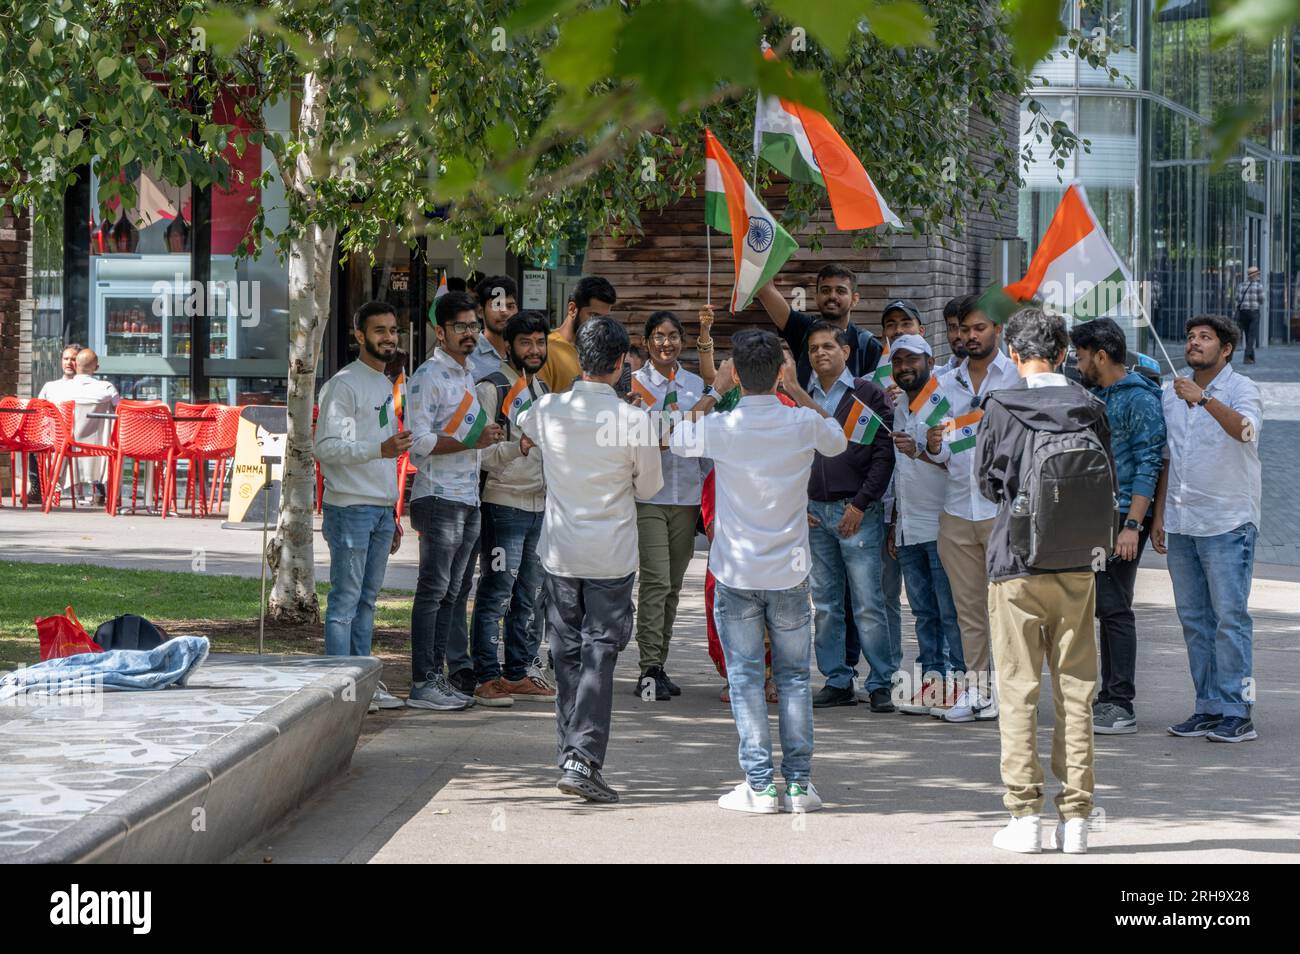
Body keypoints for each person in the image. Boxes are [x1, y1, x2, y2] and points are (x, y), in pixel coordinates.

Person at [673, 331, 847, 814]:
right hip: (790, 572)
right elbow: (838, 438)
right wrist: (798, 391)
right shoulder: (800, 423)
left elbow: (678, 436)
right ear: (779, 372)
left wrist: (712, 390)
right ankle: (797, 785)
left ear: (735, 375)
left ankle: (759, 785)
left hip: (736, 572)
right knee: (793, 680)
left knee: (746, 681)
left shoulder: (722, 426)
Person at [978, 307, 1113, 855]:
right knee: (1077, 692)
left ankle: (1025, 818)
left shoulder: (1002, 405)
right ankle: (1077, 820)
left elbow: (988, 483)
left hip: (1015, 564)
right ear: (1062, 353)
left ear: (1013, 355)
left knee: (1018, 691)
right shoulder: (1091, 405)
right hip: (1079, 563)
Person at [521, 317, 662, 803]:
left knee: (565, 655)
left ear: (580, 360)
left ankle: (571, 753)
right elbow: (649, 488)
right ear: (623, 362)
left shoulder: (547, 410)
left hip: (561, 552)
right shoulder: (635, 420)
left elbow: (522, 421)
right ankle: (581, 758)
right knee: (599, 653)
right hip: (611, 555)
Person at [1154, 315, 1263, 743]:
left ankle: (1240, 711)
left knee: (1230, 620)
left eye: (1205, 338)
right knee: (1195, 620)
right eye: (1190, 337)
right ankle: (1208, 706)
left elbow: (1246, 431)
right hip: (1183, 522)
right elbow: (1168, 458)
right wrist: (1160, 515)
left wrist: (1203, 400)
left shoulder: (1241, 388)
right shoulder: (1172, 390)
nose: (1194, 343)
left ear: (1227, 349)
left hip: (1228, 520)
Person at [924, 294, 1021, 722]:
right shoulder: (943, 384)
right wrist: (934, 446)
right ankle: (978, 692)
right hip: (958, 512)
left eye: (979, 328)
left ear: (997, 330)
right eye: (964, 330)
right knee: (969, 612)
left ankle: (1014, 692)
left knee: (1012, 610)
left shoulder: (1017, 377)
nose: (970, 337)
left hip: (1005, 511)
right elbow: (943, 451)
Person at [405, 291, 504, 711]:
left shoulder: (467, 375)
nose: (469, 334)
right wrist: (470, 440)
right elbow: (417, 444)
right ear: (440, 331)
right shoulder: (428, 376)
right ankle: (422, 681)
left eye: (473, 326)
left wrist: (489, 442)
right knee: (433, 590)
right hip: (438, 496)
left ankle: (439, 677)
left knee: (453, 593)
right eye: (461, 327)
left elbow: (469, 441)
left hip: (468, 496)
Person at [314, 302, 412, 713]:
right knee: (344, 603)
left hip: (378, 509)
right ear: (359, 335)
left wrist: (392, 510)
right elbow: (326, 449)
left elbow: (389, 456)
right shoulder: (344, 384)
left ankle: (364, 684)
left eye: (393, 329)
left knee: (367, 601)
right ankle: (341, 689)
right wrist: (379, 448)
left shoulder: (384, 382)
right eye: (379, 330)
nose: (388, 337)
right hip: (350, 508)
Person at [1070, 317, 1166, 735]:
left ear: (1102, 355)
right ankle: (1108, 698)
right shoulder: (1095, 394)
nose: (1077, 362)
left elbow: (1150, 462)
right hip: (1093, 516)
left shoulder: (1140, 400)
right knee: (1102, 607)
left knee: (1114, 607)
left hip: (1124, 518)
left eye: (1081, 354)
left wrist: (1133, 524)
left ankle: (1120, 703)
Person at [800, 322, 897, 712]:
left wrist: (860, 504)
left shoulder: (867, 394)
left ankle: (881, 682)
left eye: (828, 346)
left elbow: (883, 453)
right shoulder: (802, 396)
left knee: (867, 601)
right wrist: (799, 504)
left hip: (857, 512)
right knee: (823, 603)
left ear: (845, 352)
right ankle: (837, 679)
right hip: (814, 514)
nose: (820, 353)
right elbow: (791, 453)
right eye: (813, 348)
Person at [468, 310, 556, 706]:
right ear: (508, 346)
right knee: (496, 591)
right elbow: (479, 453)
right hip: (503, 505)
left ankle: (517, 672)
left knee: (529, 594)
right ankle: (487, 676)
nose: (534, 350)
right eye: (526, 342)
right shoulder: (493, 387)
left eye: (540, 342)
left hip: (539, 505)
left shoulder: (542, 391)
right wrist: (514, 447)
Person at [443, 274, 522, 698]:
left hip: (497, 487)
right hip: (463, 481)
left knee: (498, 581)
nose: (504, 309)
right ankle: (460, 665)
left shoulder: (521, 358)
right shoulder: (471, 361)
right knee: (458, 582)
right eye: (496, 302)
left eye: (510, 302)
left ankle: (501, 666)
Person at [629, 310, 708, 700]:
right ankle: (647, 667)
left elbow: (705, 442)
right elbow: (653, 437)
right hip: (649, 497)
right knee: (655, 581)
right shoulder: (634, 386)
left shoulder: (695, 384)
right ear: (647, 343)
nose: (666, 343)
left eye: (673, 336)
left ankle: (660, 664)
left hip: (687, 496)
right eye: (658, 336)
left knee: (674, 586)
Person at [886, 334, 965, 714]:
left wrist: (924, 449)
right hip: (909, 528)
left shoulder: (946, 402)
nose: (903, 367)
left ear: (930, 362)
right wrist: (894, 525)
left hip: (943, 525)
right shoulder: (898, 404)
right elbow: (901, 475)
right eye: (897, 360)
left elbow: (954, 458)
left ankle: (962, 685)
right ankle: (933, 684)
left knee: (950, 612)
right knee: (923, 612)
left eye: (911, 360)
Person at [754, 264, 885, 388]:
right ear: (816, 297)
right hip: (807, 411)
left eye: (840, 291)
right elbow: (765, 289)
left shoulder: (868, 345)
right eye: (825, 290)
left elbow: (878, 397)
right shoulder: (803, 328)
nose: (832, 296)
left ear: (854, 299)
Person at [536, 276, 617, 394]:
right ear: (572, 309)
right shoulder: (546, 349)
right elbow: (539, 405)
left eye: (604, 319)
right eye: (594, 315)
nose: (600, 324)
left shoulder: (601, 351)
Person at [469, 274, 518, 379]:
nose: (504, 312)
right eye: (497, 305)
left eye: (510, 306)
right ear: (480, 312)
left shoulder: (526, 352)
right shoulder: (467, 355)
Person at [1232, 266, 1263, 365]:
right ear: (1255, 275)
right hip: (1254, 312)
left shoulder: (1241, 285)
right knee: (1252, 335)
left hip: (1243, 313)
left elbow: (1237, 298)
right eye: (1257, 274)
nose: (1258, 276)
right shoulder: (1258, 286)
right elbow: (1261, 300)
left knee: (1247, 334)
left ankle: (1251, 358)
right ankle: (1246, 357)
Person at [937, 297, 966, 375]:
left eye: (964, 328)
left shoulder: (1000, 375)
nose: (958, 335)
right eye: (953, 327)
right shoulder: (938, 377)